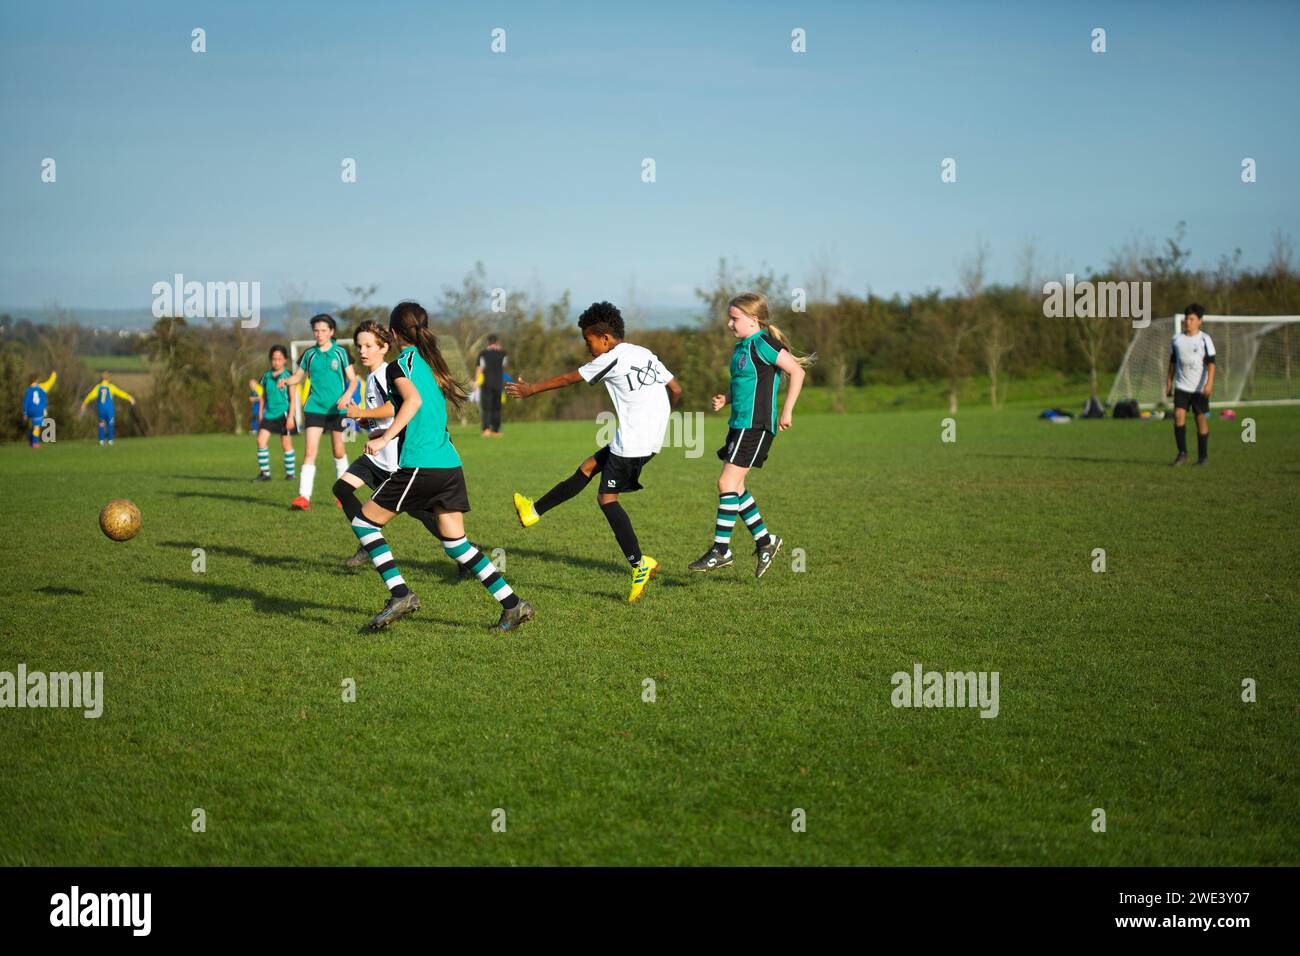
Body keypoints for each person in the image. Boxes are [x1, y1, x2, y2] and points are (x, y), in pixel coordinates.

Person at [347, 301, 533, 632]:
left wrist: (383, 437)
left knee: (364, 523)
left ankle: (400, 594)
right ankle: (513, 604)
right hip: (449, 463)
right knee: (456, 544)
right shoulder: (430, 361)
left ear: (393, 334)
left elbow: (413, 403)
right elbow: (421, 411)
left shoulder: (398, 366)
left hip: (422, 464)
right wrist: (386, 432)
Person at [508, 301, 680, 603]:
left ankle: (640, 564)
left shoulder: (611, 357)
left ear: (604, 338)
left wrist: (530, 389)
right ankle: (532, 512)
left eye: (589, 341)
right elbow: (676, 389)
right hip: (648, 438)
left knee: (606, 498)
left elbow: (567, 379)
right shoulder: (644, 353)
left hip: (633, 442)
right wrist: (658, 418)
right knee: (588, 467)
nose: (588, 348)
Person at [688, 292, 811, 578]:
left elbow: (797, 372)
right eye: (729, 318)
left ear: (753, 319)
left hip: (755, 426)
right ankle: (766, 542)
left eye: (735, 318)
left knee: (726, 482)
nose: (730, 324)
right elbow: (748, 384)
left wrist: (787, 411)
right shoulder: (742, 347)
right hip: (739, 424)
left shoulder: (764, 344)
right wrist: (727, 398)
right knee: (737, 488)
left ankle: (721, 550)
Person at [278, 314, 357, 509]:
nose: (319, 334)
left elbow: (353, 380)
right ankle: (303, 497)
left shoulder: (341, 353)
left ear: (331, 332)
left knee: (339, 451)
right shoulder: (309, 354)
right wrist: (286, 381)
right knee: (309, 451)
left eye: (323, 330)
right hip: (315, 408)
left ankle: (343, 494)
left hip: (338, 410)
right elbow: (298, 376)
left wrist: (347, 396)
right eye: (316, 330)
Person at [1167, 303, 1216, 466]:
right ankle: (1182, 454)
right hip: (1181, 386)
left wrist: (1209, 384)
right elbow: (1172, 362)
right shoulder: (1177, 339)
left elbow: (1212, 363)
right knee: (1178, 416)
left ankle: (1203, 457)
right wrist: (1168, 382)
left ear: (1199, 321)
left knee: (1200, 419)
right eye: (1186, 318)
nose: (1188, 321)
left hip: (1199, 388)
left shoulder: (1205, 339)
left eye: (1192, 319)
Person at [252, 345, 297, 481]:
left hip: (283, 414)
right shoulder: (266, 376)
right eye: (273, 359)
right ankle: (265, 473)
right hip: (269, 414)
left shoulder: (289, 376)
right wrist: (260, 413)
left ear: (285, 360)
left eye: (279, 359)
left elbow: (293, 398)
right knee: (260, 441)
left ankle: (290, 474)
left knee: (286, 444)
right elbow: (263, 397)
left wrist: (290, 417)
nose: (276, 362)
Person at [79, 372, 135, 445]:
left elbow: (90, 396)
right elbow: (120, 393)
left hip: (101, 408)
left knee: (101, 423)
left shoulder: (98, 387)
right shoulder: (111, 387)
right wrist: (129, 398)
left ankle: (101, 440)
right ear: (108, 378)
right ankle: (110, 440)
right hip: (109, 408)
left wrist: (84, 403)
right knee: (110, 423)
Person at [476, 334, 508, 436]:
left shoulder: (483, 353)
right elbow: (504, 366)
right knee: (497, 407)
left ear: (488, 342)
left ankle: (486, 429)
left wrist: (476, 382)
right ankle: (496, 430)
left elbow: (480, 368)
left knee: (486, 407)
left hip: (487, 383)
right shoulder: (503, 353)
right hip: (498, 383)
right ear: (497, 342)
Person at [23, 370, 57, 448]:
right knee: (37, 427)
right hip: (38, 410)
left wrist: (25, 413)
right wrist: (54, 375)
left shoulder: (28, 390)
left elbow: (26, 402)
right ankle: (35, 443)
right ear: (37, 380)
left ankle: (30, 442)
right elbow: (50, 382)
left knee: (31, 426)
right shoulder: (42, 387)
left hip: (30, 411)